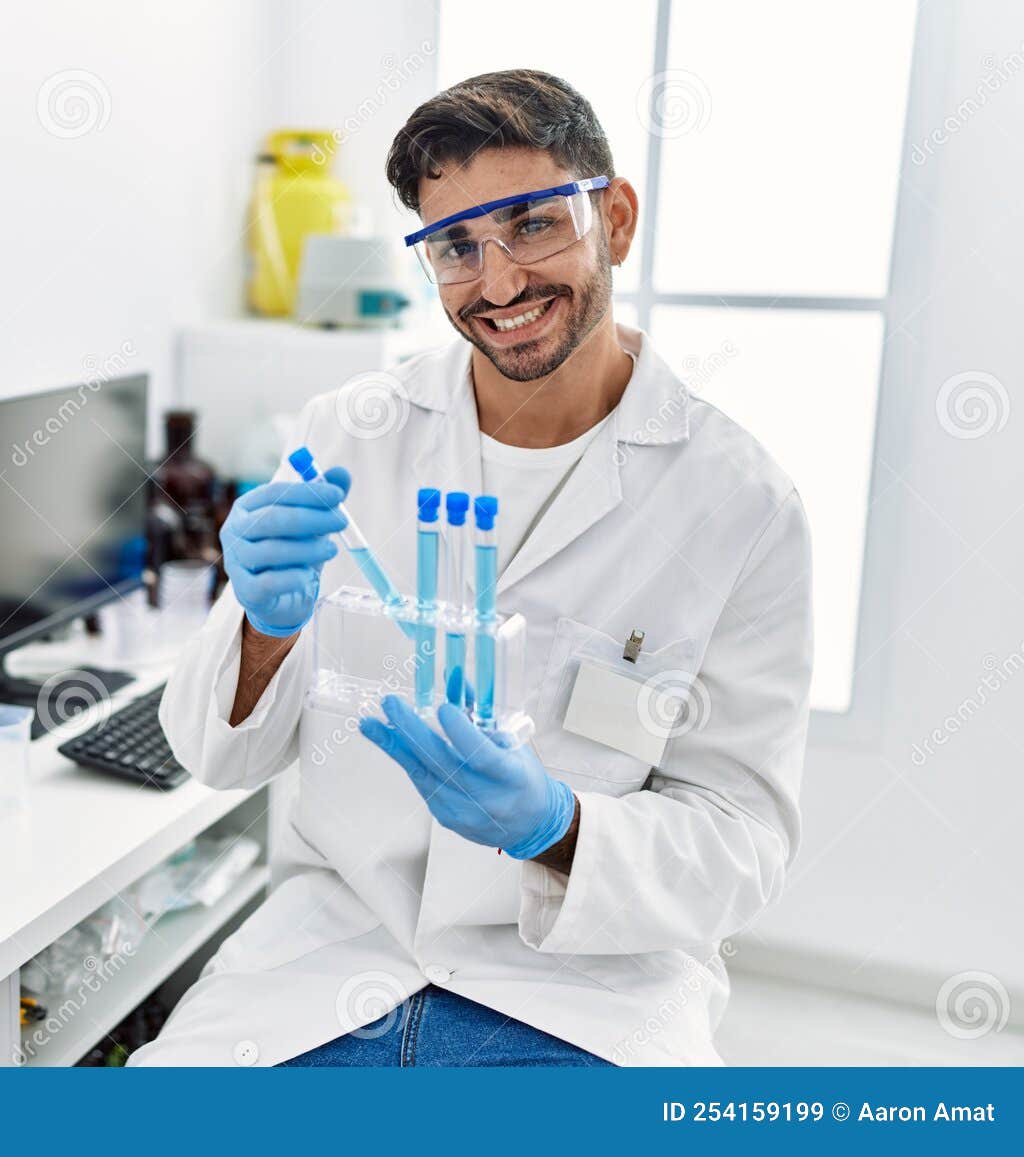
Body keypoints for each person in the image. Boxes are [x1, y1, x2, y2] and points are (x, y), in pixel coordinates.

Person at [127, 69, 812, 1067]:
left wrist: (554, 824)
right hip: (328, 962)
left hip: (582, 989)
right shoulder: (349, 435)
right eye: (455, 246)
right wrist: (265, 627)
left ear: (614, 218)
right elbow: (215, 754)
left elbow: (740, 841)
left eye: (533, 224)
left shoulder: (740, 504)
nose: (497, 284)